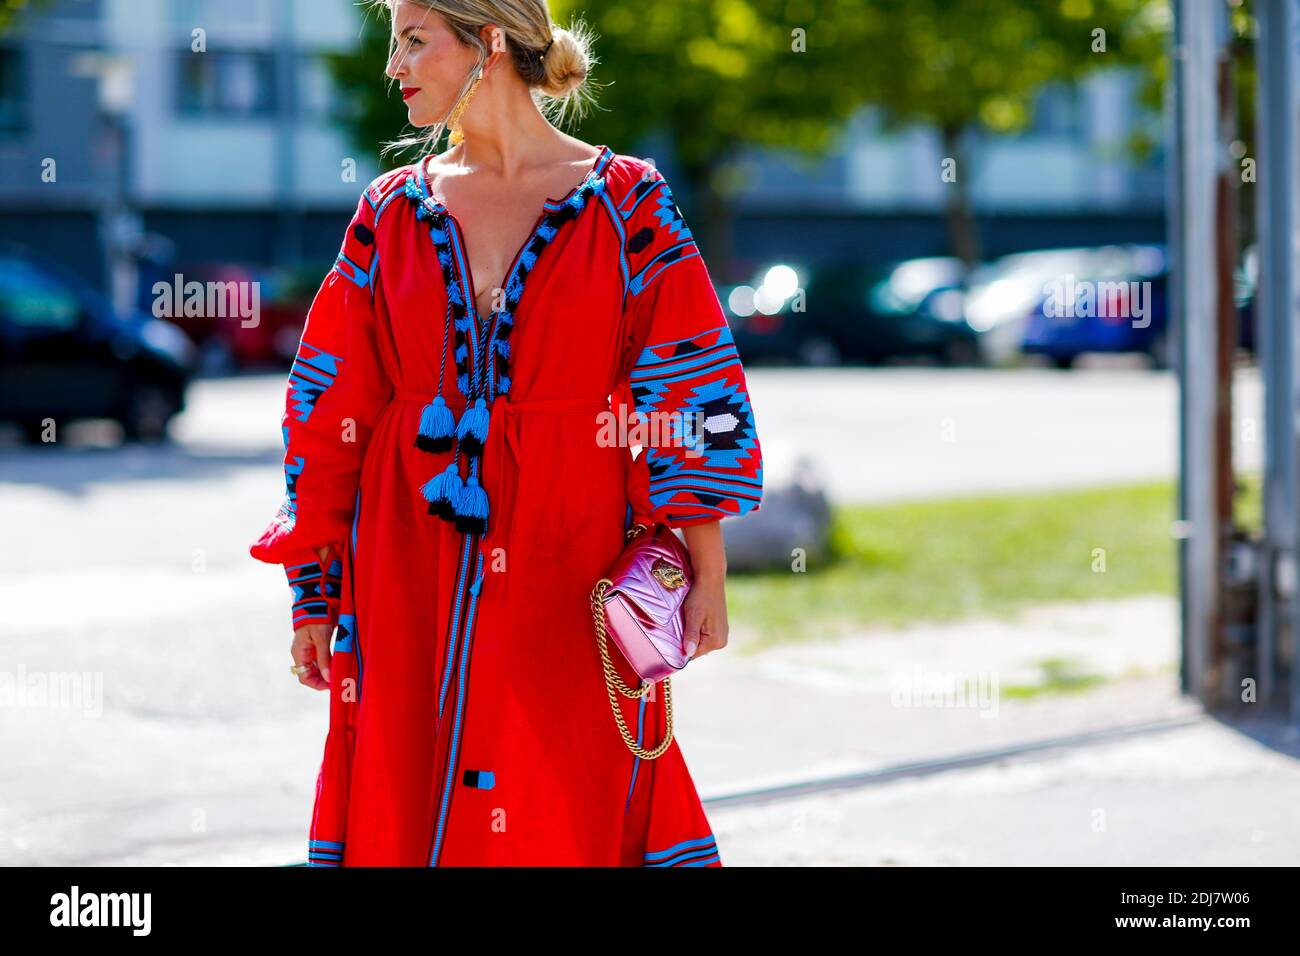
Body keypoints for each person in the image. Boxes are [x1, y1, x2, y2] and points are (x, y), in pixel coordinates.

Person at [249, 0, 763, 867]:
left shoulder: (627, 201)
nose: (393, 67)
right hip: (404, 557)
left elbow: (691, 381)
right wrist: (314, 589)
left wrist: (705, 570)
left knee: (568, 783)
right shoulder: (390, 212)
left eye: (414, 40)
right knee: (410, 779)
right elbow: (328, 406)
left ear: (489, 41)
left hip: (575, 546)